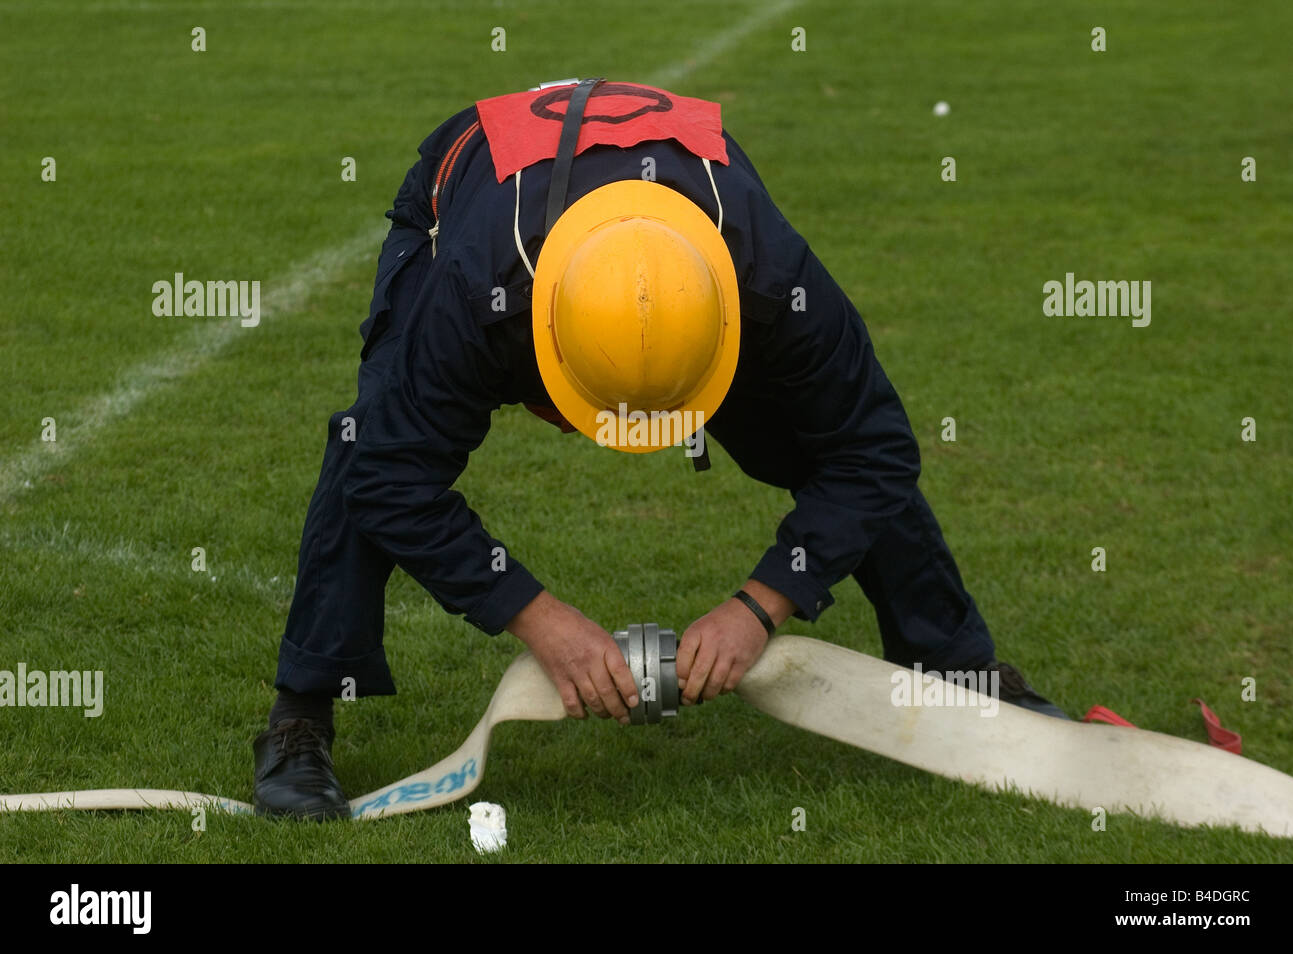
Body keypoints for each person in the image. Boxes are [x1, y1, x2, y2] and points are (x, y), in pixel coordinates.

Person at [253, 79, 1067, 821]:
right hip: (472, 187)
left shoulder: (771, 280)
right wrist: (538, 618)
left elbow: (874, 447)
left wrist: (761, 605)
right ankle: (300, 716)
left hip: (674, 249)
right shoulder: (470, 290)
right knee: (372, 441)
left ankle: (965, 676)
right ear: (543, 347)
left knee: (837, 448)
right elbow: (390, 473)